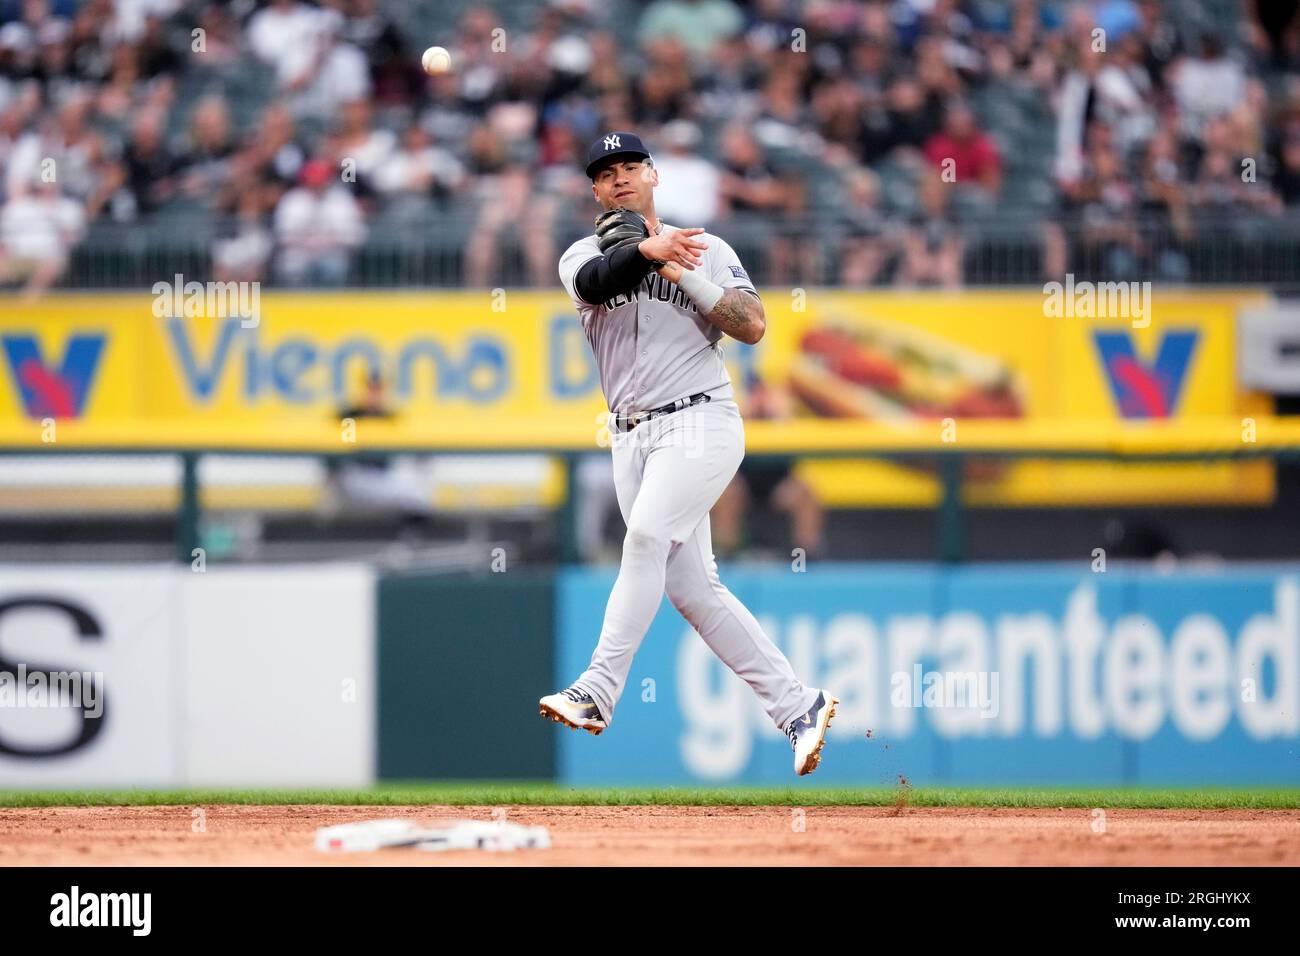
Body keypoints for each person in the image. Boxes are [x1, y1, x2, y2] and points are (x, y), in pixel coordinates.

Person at [539, 131, 837, 776]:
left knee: (645, 537)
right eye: (606, 172)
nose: (619, 178)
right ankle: (798, 705)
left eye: (630, 166)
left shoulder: (708, 247)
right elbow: (597, 282)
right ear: (594, 190)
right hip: (630, 436)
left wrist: (682, 271)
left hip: (702, 420)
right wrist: (647, 252)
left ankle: (596, 690)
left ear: (652, 174)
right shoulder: (578, 255)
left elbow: (752, 326)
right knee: (694, 590)